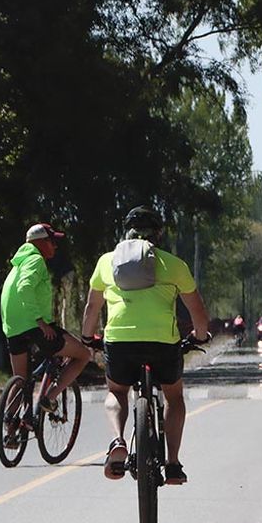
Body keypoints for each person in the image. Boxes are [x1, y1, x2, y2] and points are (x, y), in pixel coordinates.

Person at [81, 206, 211, 485]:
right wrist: (200, 336)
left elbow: (92, 307)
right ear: (158, 235)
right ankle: (173, 464)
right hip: (163, 343)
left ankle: (117, 439)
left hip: (119, 341)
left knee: (117, 391)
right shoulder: (174, 264)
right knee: (174, 397)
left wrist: (87, 337)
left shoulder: (107, 262)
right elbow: (197, 311)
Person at [0, 223, 91, 436]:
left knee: (20, 379)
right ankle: (50, 398)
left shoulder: (17, 266)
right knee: (83, 355)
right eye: (52, 241)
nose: (55, 246)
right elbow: (25, 288)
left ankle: (10, 431)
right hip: (35, 327)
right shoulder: (35, 260)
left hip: (13, 330)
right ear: (40, 243)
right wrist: (40, 321)